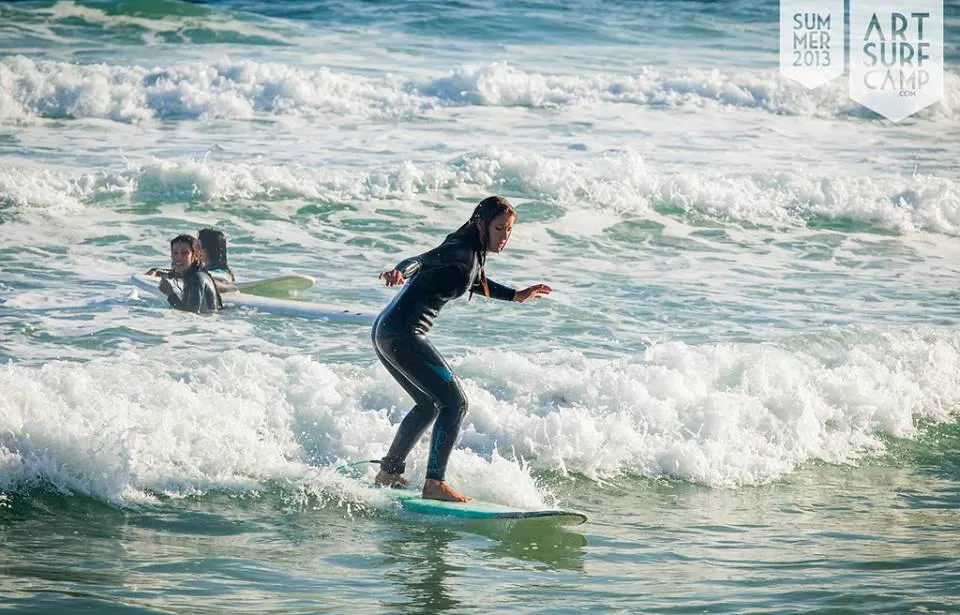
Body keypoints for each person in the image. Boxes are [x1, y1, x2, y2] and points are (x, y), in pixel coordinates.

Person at [372, 196, 552, 502]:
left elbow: (474, 282)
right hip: (403, 335)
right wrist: (399, 271)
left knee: (429, 404)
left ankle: (390, 471)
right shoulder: (459, 250)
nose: (504, 237)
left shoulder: (471, 255)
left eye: (508, 230)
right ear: (481, 224)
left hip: (386, 332)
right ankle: (435, 484)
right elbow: (420, 261)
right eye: (499, 228)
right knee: (455, 404)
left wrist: (515, 296)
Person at [158, 234, 222, 314]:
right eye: (175, 253)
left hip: (206, 324)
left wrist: (170, 294)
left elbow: (189, 315)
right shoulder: (197, 274)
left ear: (195, 255)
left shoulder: (196, 279)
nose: (179, 257)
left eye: (185, 253)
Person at [198, 228, 237, 293]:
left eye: (198, 246)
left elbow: (219, 283)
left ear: (207, 251)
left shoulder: (219, 273)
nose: (193, 250)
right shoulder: (226, 270)